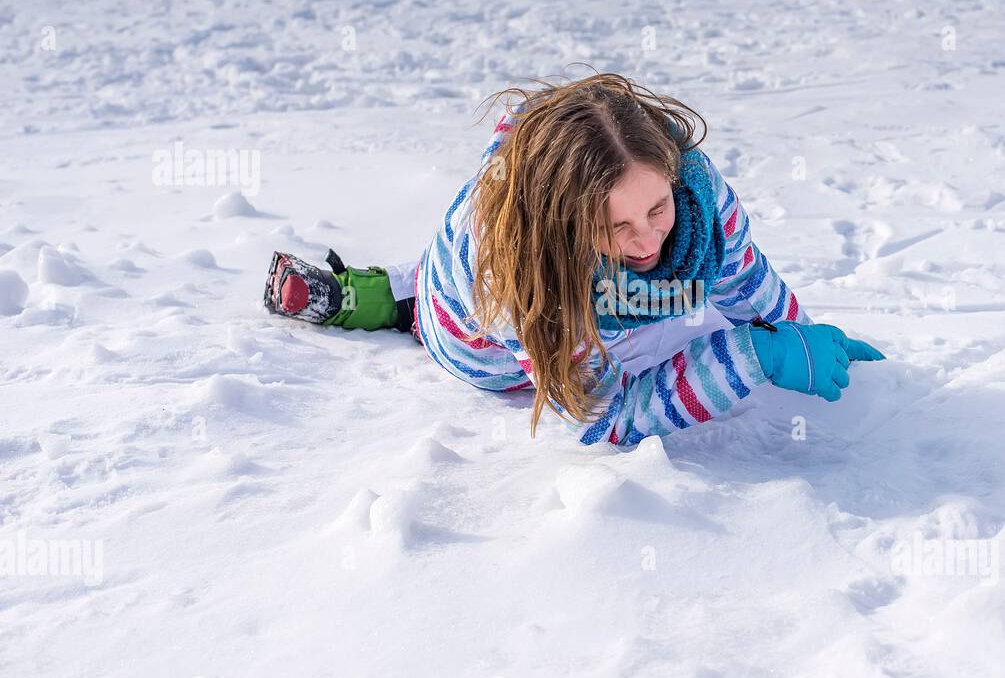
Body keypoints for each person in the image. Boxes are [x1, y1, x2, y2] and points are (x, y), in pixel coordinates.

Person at [263, 72, 885, 446]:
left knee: (657, 292)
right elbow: (607, 417)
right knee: (426, 307)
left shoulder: (693, 188)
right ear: (564, 220)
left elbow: (741, 273)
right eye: (615, 226)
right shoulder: (517, 277)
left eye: (657, 209)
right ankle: (370, 301)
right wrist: (752, 356)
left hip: (495, 264)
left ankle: (402, 287)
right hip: (475, 344)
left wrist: (797, 333)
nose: (648, 241)